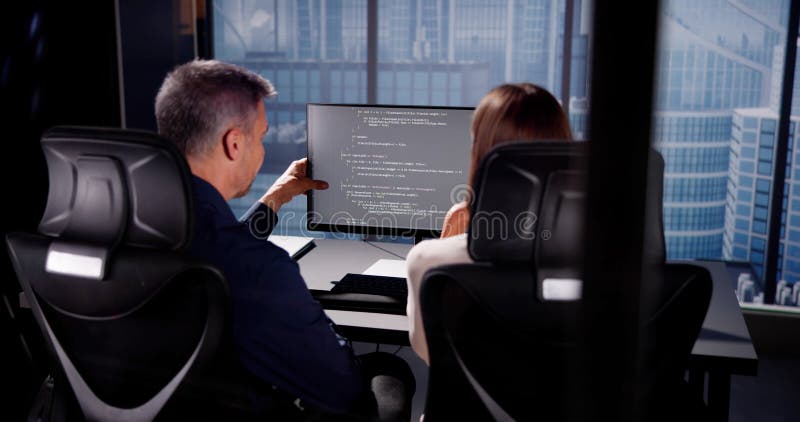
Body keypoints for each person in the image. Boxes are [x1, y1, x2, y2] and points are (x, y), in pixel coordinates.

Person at [155, 59, 414, 421]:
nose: (262, 152)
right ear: (233, 143)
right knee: (388, 368)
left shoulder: (146, 231)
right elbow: (341, 389)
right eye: (260, 137)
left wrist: (275, 197)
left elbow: (221, 253)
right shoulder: (262, 268)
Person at [405, 83, 573, 364]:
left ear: (480, 155)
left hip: (465, 409)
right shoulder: (603, 263)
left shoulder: (429, 261)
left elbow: (430, 354)